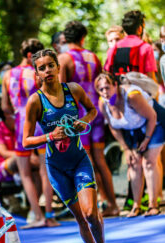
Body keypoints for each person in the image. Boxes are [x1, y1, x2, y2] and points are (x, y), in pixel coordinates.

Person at [23, 48, 120, 243]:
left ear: (58, 67)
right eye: (41, 68)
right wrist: (49, 136)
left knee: (91, 214)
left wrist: (83, 121)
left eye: (50, 65)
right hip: (56, 168)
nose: (47, 71)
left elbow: (93, 110)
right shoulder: (35, 101)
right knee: (80, 218)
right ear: (37, 73)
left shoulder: (73, 90)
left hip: (79, 161)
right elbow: (26, 141)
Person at [58, 20, 119, 217]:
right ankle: (112, 204)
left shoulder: (64, 59)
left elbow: (61, 91)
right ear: (83, 37)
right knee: (100, 160)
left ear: (66, 39)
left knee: (86, 160)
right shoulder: (93, 57)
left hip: (78, 116)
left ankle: (93, 208)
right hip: (97, 111)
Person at [2, 38, 58, 228]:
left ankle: (37, 215)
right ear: (30, 56)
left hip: (21, 124)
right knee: (46, 170)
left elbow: (4, 106)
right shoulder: (38, 74)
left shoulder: (8, 75)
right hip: (42, 121)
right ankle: (49, 214)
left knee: (25, 173)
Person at [96, 72, 165, 217]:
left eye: (107, 88)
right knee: (133, 163)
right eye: (100, 89)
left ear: (116, 85)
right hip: (133, 129)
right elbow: (113, 127)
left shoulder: (131, 95)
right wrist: (126, 149)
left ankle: (153, 204)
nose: (104, 92)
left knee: (149, 162)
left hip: (155, 122)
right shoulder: (103, 103)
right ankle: (136, 205)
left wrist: (146, 140)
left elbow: (152, 116)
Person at [104, 10, 157, 82]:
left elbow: (107, 75)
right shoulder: (145, 48)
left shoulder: (113, 49)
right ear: (140, 29)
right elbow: (151, 79)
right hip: (140, 91)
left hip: (119, 91)